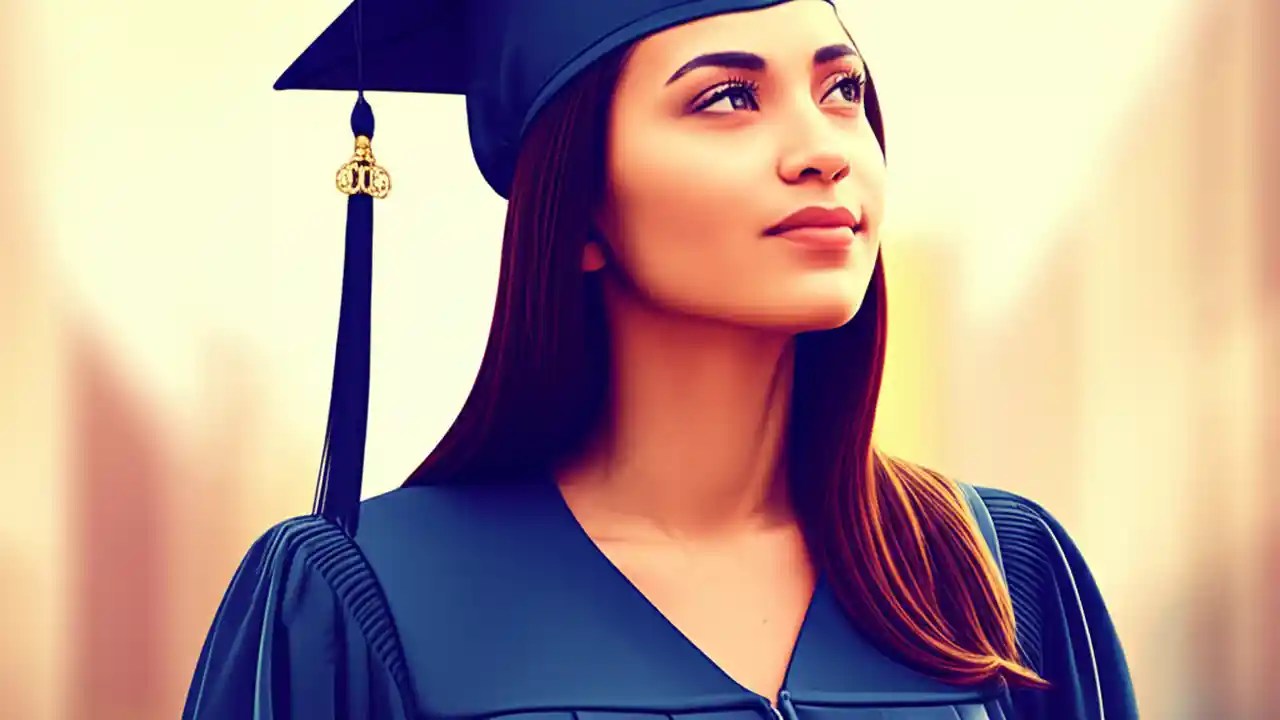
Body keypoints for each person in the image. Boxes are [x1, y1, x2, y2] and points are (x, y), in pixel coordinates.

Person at [182, 1, 1138, 718]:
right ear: (580, 210)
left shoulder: (994, 575)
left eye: (841, 90)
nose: (822, 150)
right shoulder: (365, 601)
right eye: (727, 98)